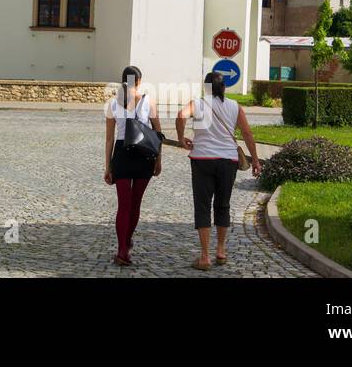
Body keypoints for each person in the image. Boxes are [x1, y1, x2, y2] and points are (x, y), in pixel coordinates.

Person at [175, 71, 261, 270]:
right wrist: (255, 160)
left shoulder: (197, 103)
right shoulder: (234, 106)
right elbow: (247, 133)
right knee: (223, 204)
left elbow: (181, 116)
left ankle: (204, 257)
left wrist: (181, 138)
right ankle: (220, 251)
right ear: (223, 88)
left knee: (203, 205)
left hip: (202, 159)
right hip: (228, 161)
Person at [103, 65, 162, 266]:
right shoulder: (148, 101)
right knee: (135, 204)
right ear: (138, 81)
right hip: (144, 153)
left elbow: (109, 139)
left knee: (123, 205)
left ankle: (122, 250)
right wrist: (158, 160)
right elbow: (157, 134)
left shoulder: (112, 104)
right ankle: (127, 242)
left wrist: (108, 166)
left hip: (121, 153)